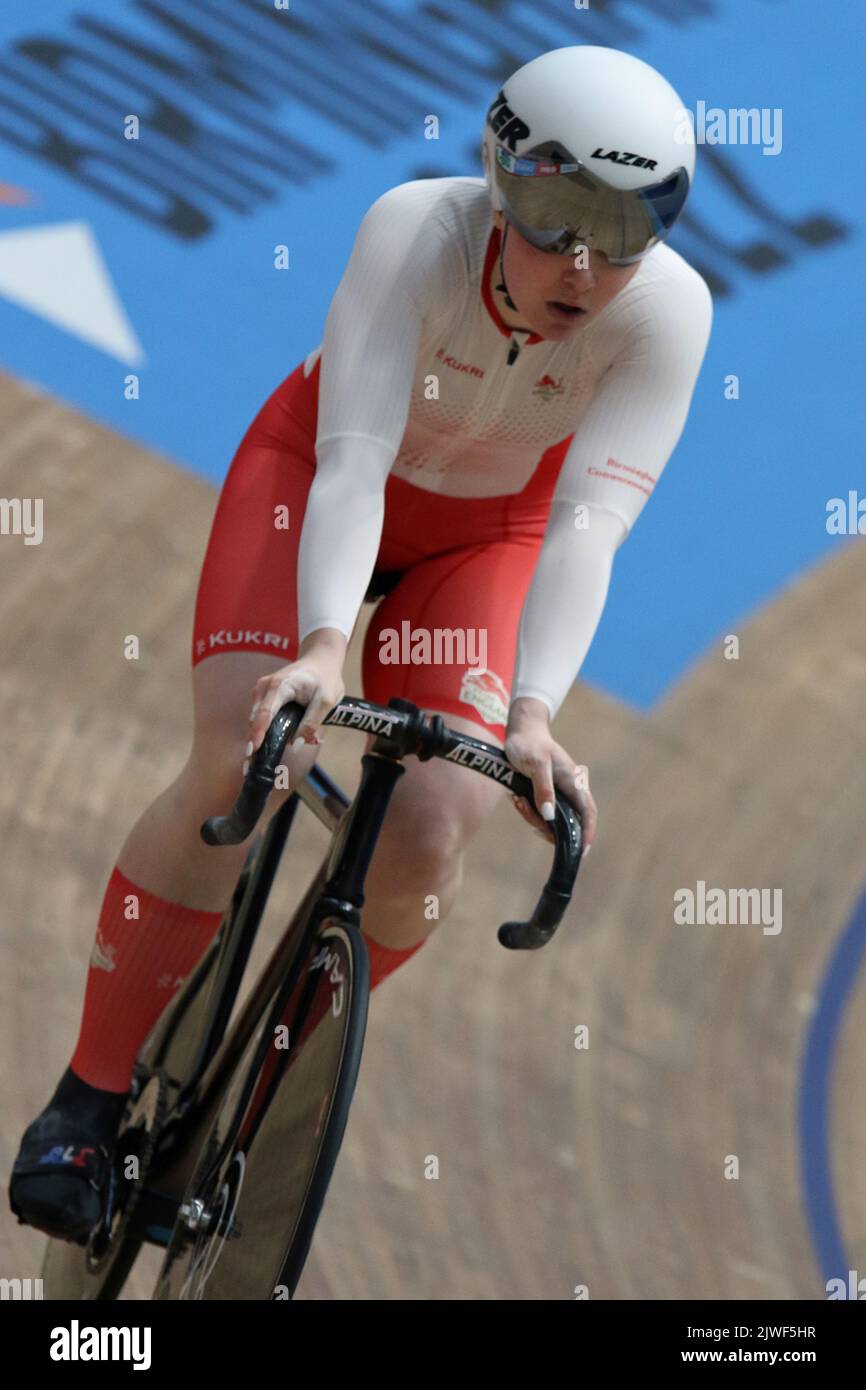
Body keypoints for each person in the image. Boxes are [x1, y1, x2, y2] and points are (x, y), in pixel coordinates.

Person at [9, 44, 712, 1241]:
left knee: (439, 823)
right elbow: (351, 461)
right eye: (555, 216)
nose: (585, 264)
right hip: (316, 475)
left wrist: (534, 717)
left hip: (480, 536)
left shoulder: (666, 313)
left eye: (624, 226)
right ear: (499, 178)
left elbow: (587, 531)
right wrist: (321, 647)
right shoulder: (416, 232)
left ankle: (265, 1106)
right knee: (245, 752)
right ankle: (87, 1092)